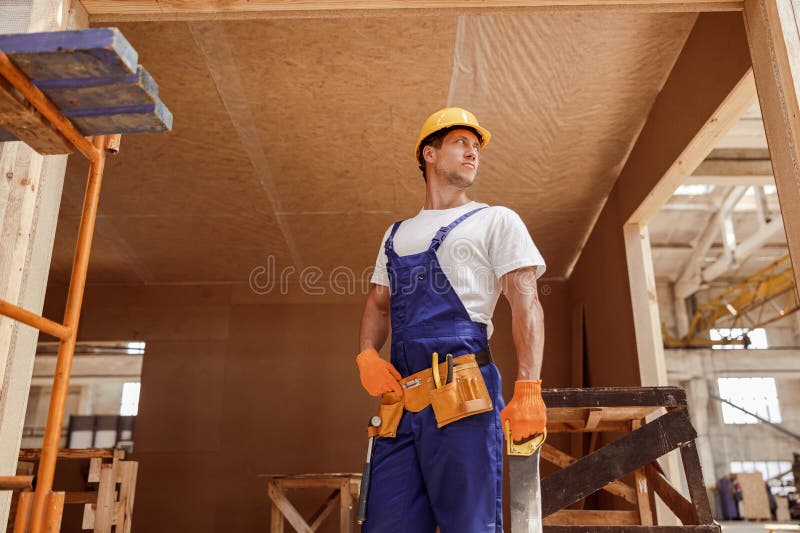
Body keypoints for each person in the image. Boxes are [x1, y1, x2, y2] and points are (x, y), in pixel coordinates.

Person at [356, 107, 547, 533]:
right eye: (462, 143)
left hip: (465, 393)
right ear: (430, 154)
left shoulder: (495, 220)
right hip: (403, 405)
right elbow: (379, 304)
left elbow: (526, 303)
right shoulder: (395, 235)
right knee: (386, 524)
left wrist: (528, 388)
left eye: (476, 146)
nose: (473, 152)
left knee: (469, 525)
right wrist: (367, 353)